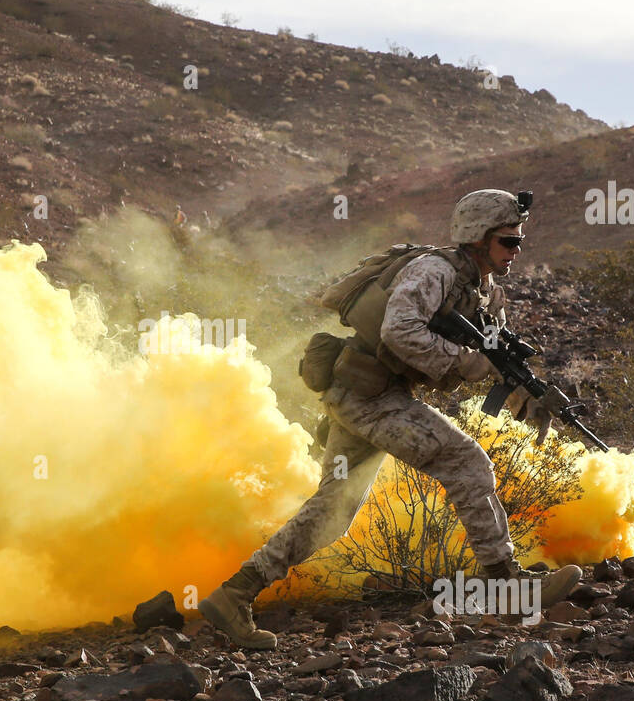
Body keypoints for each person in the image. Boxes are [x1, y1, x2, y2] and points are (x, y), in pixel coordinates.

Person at [199, 189, 581, 649]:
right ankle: (507, 587)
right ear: (477, 239)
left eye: (519, 242)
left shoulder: (484, 292)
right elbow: (398, 332)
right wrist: (464, 362)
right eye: (507, 242)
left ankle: (234, 594)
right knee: (467, 464)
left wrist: (530, 395)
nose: (516, 252)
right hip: (367, 395)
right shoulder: (434, 271)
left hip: (373, 395)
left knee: (334, 511)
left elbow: (494, 358)